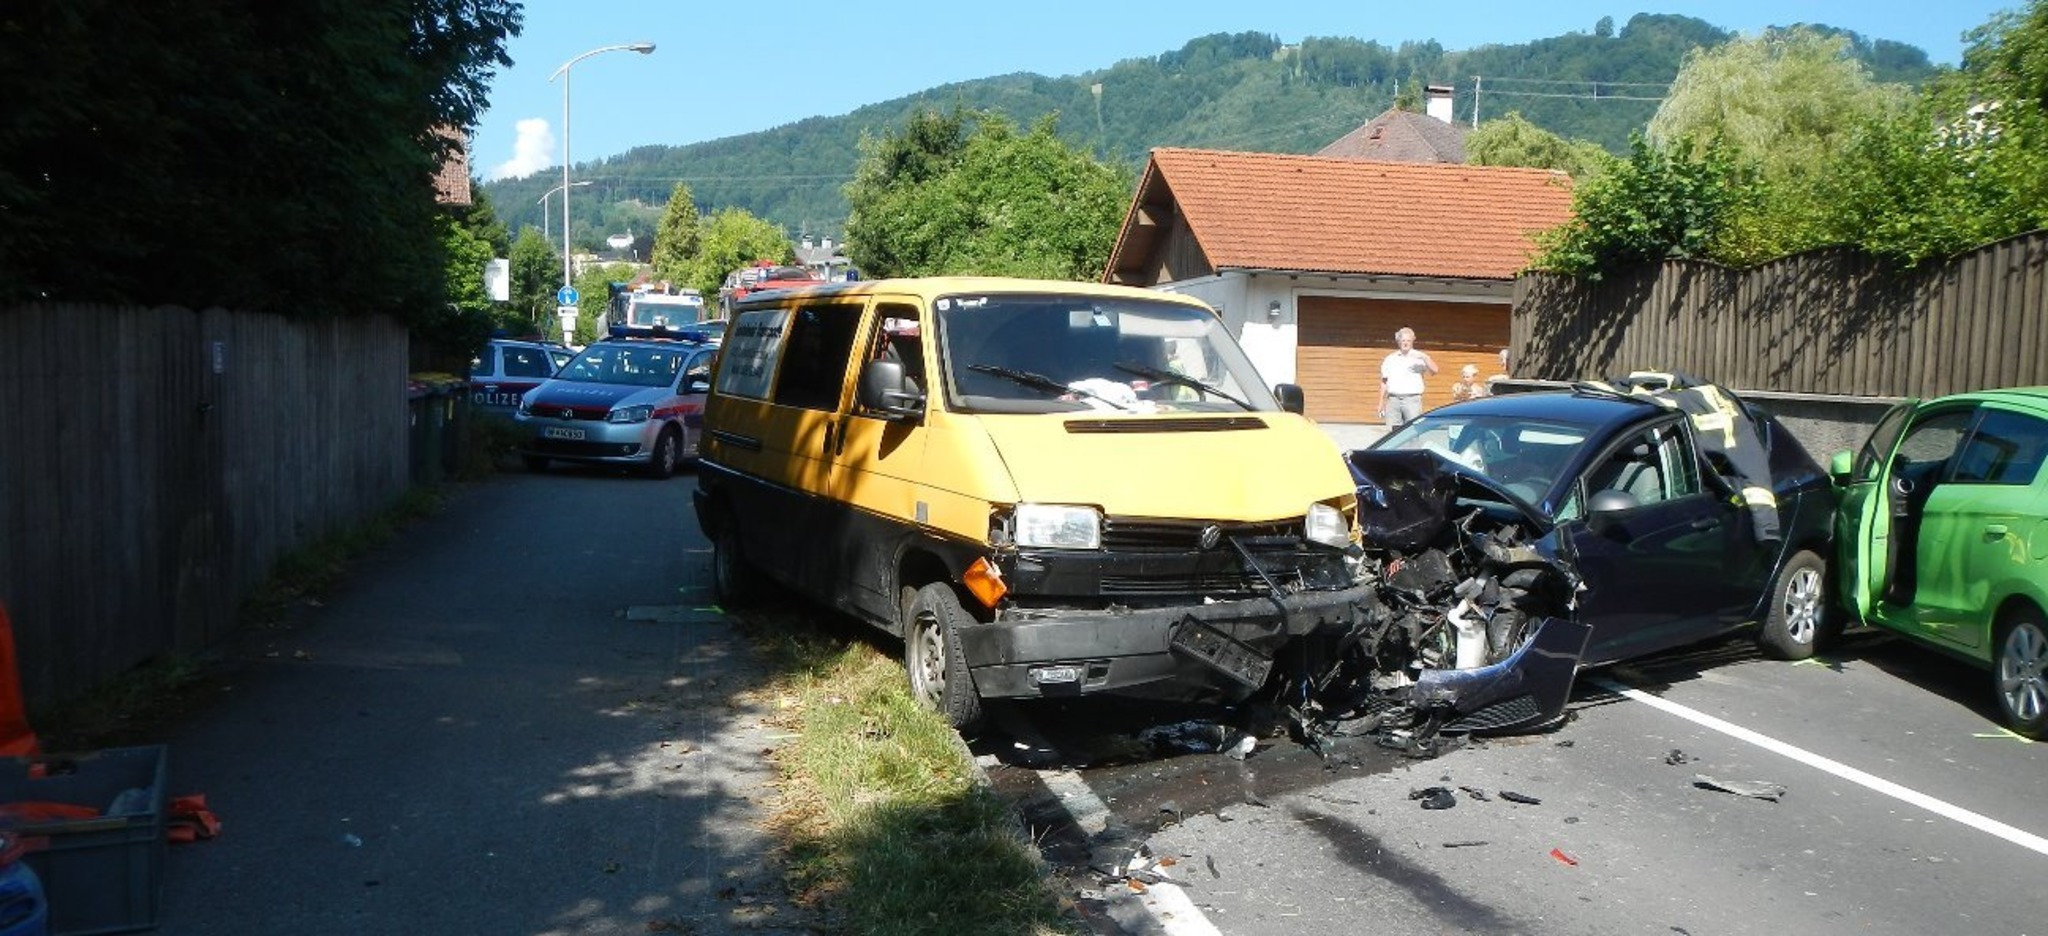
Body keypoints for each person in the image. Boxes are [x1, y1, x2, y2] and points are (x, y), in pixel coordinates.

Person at [1376, 326, 1438, 427]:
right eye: (1403, 340)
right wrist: (1380, 402)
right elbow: (1384, 382)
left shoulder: (1419, 357)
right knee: (1392, 433)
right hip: (1393, 400)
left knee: (1413, 430)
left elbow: (1435, 370)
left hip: (1412, 400)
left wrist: (1425, 357)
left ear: (1413, 341)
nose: (1405, 343)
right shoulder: (1390, 359)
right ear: (1398, 341)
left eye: (1408, 340)